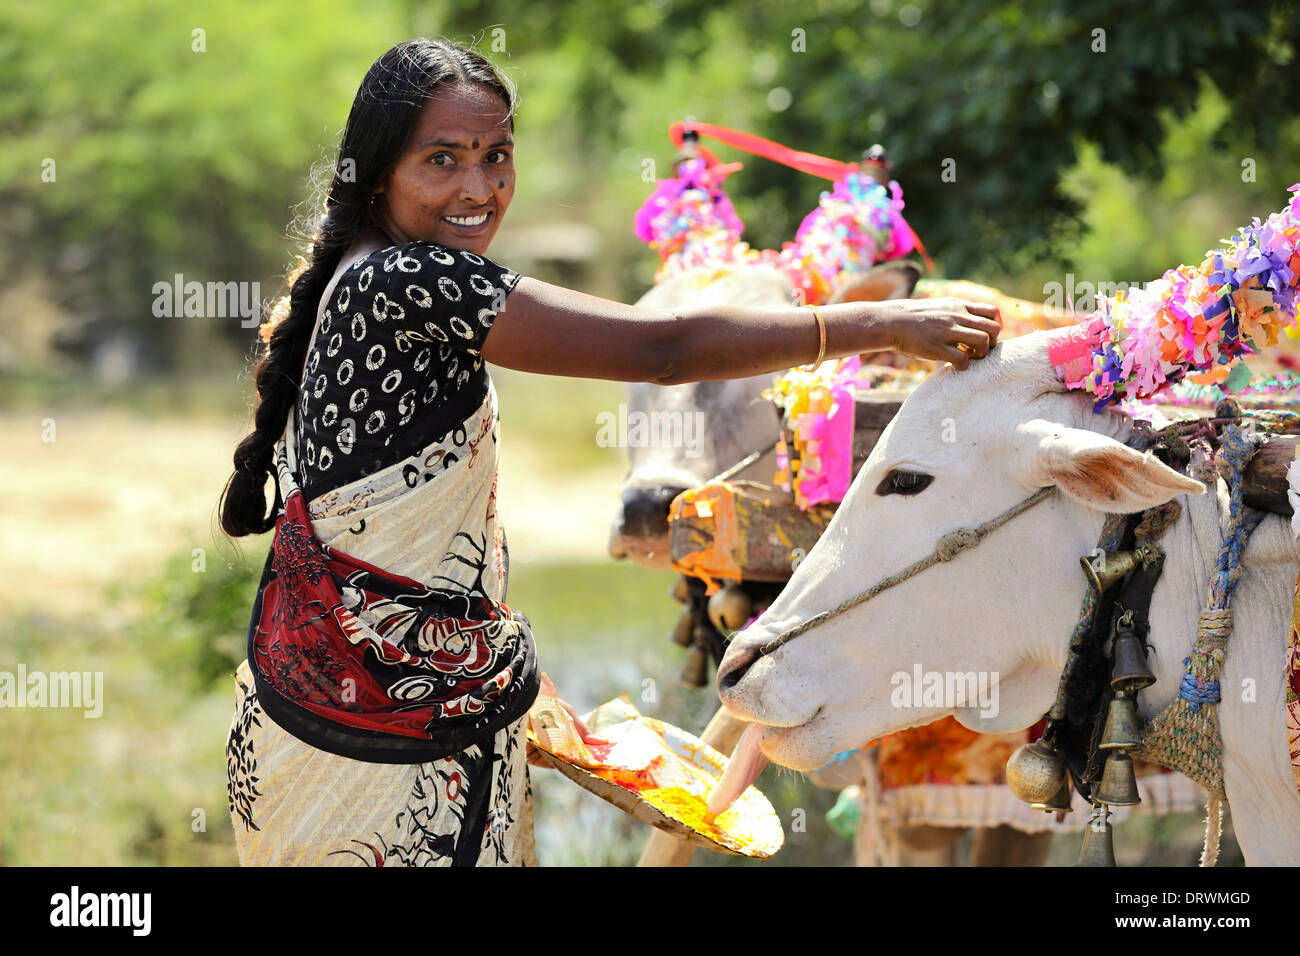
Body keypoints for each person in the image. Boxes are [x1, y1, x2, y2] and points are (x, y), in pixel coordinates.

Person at [219, 37, 1001, 867]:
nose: (478, 189)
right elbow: (660, 347)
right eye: (441, 160)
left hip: (349, 716)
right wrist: (881, 325)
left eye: (497, 157)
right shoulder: (410, 279)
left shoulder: (361, 269)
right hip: (379, 752)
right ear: (379, 172)